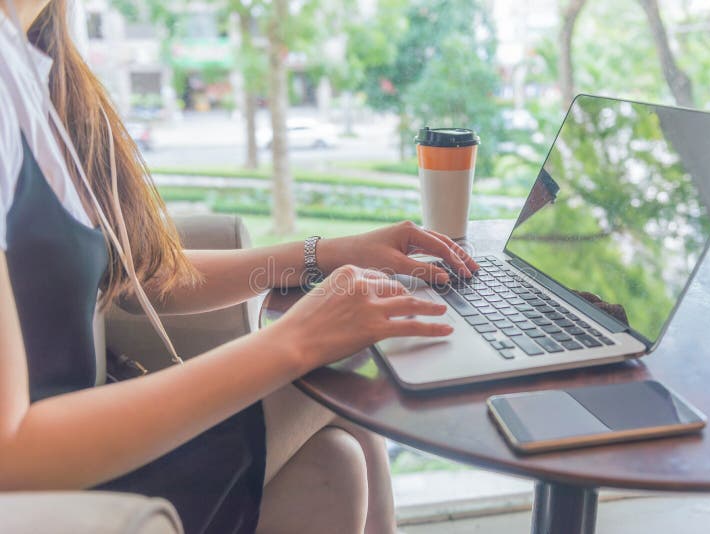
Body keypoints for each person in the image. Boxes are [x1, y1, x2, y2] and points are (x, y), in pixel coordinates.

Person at [0, 1, 480, 533]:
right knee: (348, 372)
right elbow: (11, 451)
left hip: (90, 447)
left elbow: (141, 277)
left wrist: (321, 255)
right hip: (62, 481)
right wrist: (295, 341)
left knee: (335, 466)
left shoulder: (39, 67)